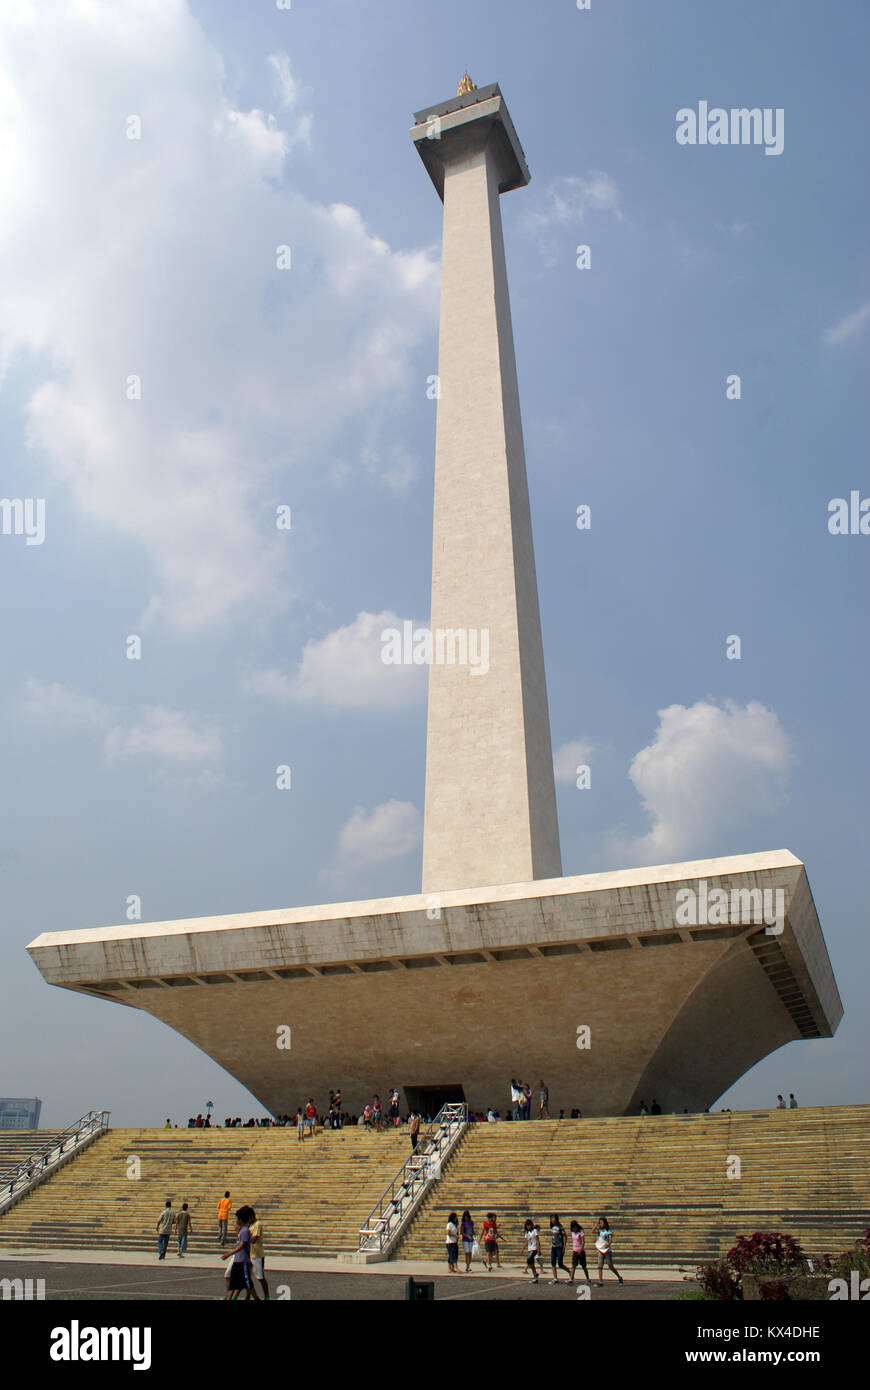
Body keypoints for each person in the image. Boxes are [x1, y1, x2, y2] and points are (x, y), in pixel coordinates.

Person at [222, 1206, 259, 1301]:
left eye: (237, 1219)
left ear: (241, 1220)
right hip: (237, 1261)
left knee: (248, 1285)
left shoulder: (245, 1231)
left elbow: (242, 1246)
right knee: (233, 1285)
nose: (236, 1221)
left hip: (243, 1262)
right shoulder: (241, 1231)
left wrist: (228, 1254)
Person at [593, 1216, 624, 1286]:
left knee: (610, 1266)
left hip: (607, 1250)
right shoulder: (600, 1231)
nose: (600, 1224)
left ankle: (619, 1277)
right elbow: (592, 1231)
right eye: (600, 1222)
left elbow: (610, 1240)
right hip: (601, 1250)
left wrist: (608, 1244)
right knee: (600, 1266)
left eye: (601, 1222)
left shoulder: (608, 1231)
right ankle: (600, 1281)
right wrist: (596, 1224)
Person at [249, 1207, 269, 1300]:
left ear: (252, 1217)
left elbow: (253, 1239)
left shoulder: (257, 1224)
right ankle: (248, 1296)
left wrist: (246, 1236)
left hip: (257, 1255)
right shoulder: (249, 1225)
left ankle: (266, 1296)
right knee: (247, 1277)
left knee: (260, 1277)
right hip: (250, 1254)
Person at [569, 1219, 590, 1285]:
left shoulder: (581, 1231)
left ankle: (588, 1279)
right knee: (573, 1265)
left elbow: (583, 1241)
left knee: (583, 1266)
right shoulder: (572, 1232)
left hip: (581, 1250)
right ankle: (571, 1279)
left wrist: (581, 1249)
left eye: (574, 1227)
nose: (574, 1229)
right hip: (575, 1250)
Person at [549, 1213, 569, 1282]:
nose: (552, 1220)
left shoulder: (560, 1227)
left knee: (560, 1263)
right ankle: (555, 1278)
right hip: (553, 1247)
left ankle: (569, 1272)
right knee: (553, 1262)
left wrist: (564, 1247)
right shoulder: (552, 1227)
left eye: (553, 1218)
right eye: (551, 1218)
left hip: (559, 1247)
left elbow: (565, 1236)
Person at [522, 1219, 540, 1284]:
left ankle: (535, 1274)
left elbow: (537, 1240)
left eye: (529, 1225)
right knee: (531, 1263)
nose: (528, 1227)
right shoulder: (527, 1232)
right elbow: (526, 1241)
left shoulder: (534, 1231)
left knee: (528, 1260)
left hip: (534, 1248)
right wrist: (523, 1249)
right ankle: (535, 1275)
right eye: (527, 1225)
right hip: (529, 1249)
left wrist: (539, 1249)